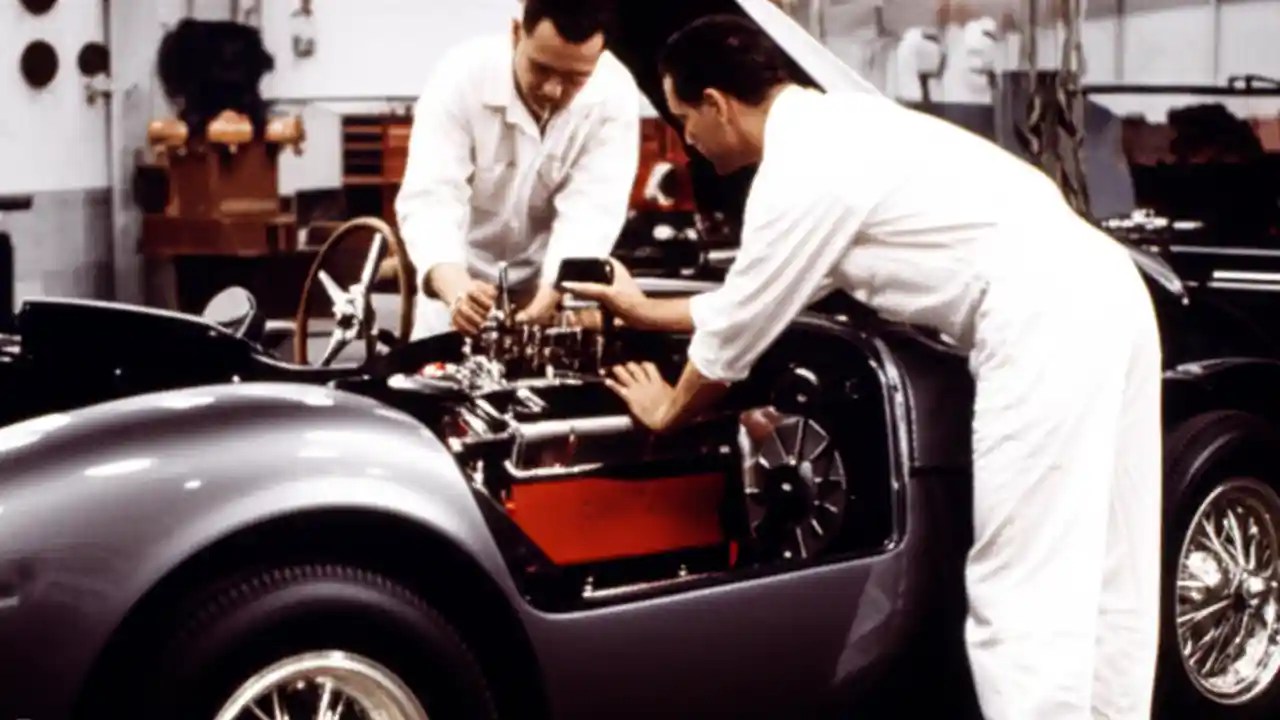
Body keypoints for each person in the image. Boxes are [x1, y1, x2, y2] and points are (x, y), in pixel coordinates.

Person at [564, 15, 1162, 720]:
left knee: (1020, 584)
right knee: (1114, 567)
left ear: (717, 105)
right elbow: (760, 296)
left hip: (1041, 317)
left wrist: (667, 409)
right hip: (1109, 288)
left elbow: (733, 337)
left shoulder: (798, 174)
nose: (686, 138)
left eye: (683, 117)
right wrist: (640, 311)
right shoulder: (850, 125)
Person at [395, 0, 641, 337]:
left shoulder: (615, 94)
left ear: (600, 56)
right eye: (540, 68)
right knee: (441, 367)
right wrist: (455, 288)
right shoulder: (461, 75)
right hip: (457, 283)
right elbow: (431, 197)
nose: (553, 90)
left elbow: (591, 212)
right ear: (515, 33)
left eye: (575, 78)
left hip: (547, 289)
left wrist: (550, 296)